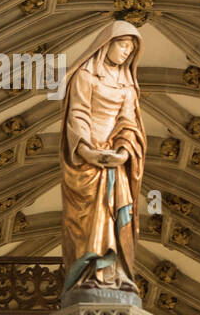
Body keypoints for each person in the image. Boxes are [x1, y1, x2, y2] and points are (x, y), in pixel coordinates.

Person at [59, 19, 145, 295]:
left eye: (130, 50)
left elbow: (128, 124)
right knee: (89, 217)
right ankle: (88, 273)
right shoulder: (85, 76)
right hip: (86, 159)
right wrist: (86, 150)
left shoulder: (127, 87)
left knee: (115, 213)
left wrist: (122, 152)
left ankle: (114, 273)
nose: (125, 53)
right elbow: (78, 114)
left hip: (113, 161)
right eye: (122, 45)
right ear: (107, 43)